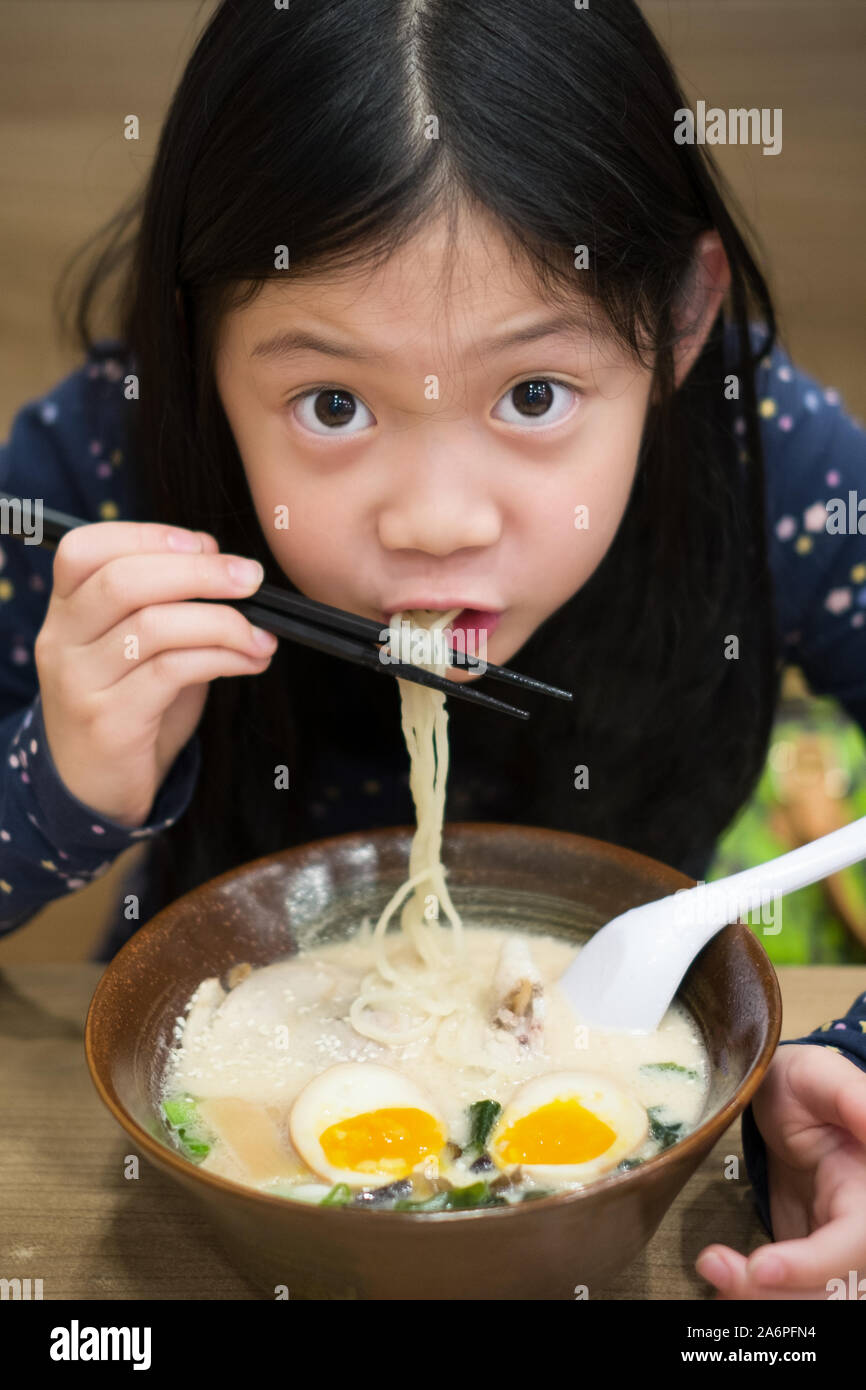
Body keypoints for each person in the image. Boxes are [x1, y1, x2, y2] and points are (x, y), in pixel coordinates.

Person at [1, 0, 864, 1300]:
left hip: (637, 1142)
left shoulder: (767, 461)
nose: (436, 521)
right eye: (331, 403)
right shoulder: (103, 472)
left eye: (531, 395)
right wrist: (54, 779)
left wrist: (849, 1064)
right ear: (195, 346)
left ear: (677, 322)